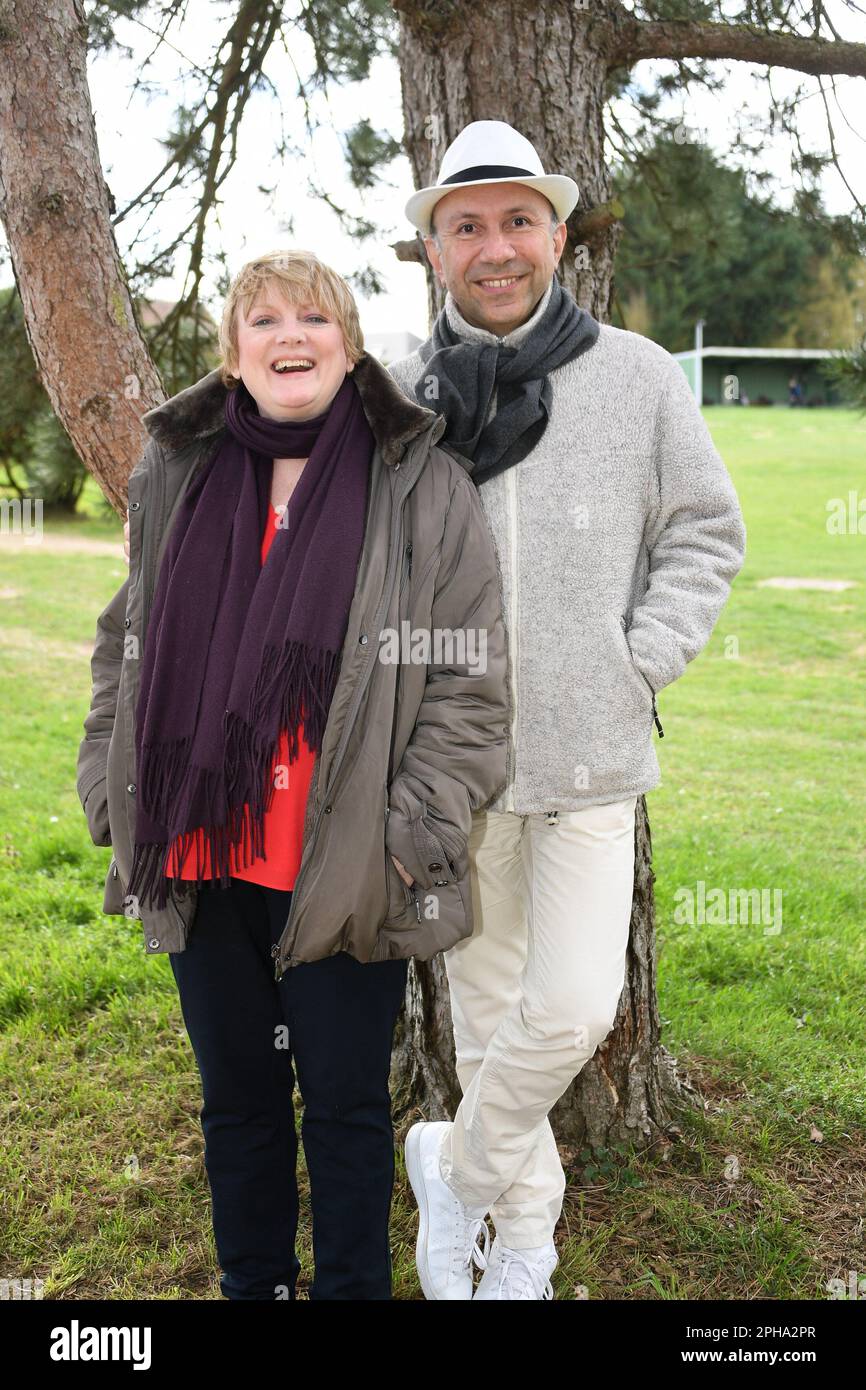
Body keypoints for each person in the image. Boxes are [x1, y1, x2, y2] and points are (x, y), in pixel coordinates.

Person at [76, 248, 508, 1300]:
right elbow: (123, 641)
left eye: (312, 317)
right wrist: (108, 784)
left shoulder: (418, 483)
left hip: (351, 858)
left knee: (349, 1108)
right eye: (262, 319)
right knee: (237, 1100)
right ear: (234, 355)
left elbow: (468, 680)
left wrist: (411, 835)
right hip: (200, 848)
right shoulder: (176, 473)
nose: (289, 336)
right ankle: (253, 1284)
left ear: (349, 345)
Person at [388, 120, 747, 1300]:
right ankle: (520, 1244)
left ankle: (453, 1165)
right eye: (466, 226)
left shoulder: (636, 377)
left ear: (554, 234)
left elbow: (704, 527)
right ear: (434, 248)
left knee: (576, 1007)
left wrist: (639, 659)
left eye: (517, 221)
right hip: (450, 769)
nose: (495, 248)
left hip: (593, 755)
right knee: (486, 1020)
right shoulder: (397, 399)